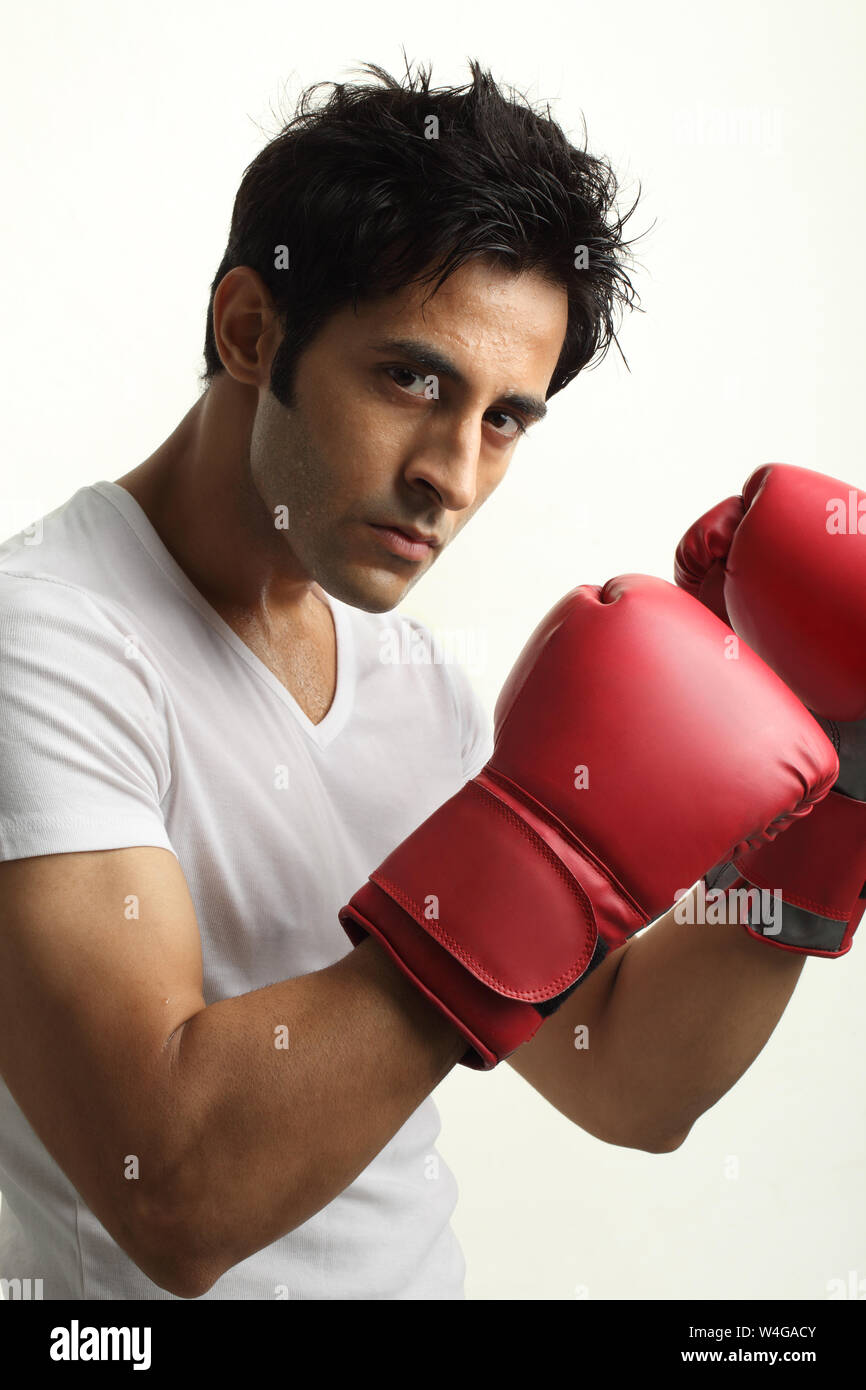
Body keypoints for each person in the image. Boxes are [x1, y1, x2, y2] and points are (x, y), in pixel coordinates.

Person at [0, 58, 845, 1303]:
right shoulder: (46, 644)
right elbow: (170, 1192)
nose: (451, 472)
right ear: (250, 332)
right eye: (412, 378)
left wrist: (826, 811)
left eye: (504, 418)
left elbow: (626, 1080)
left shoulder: (416, 682)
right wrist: (538, 854)